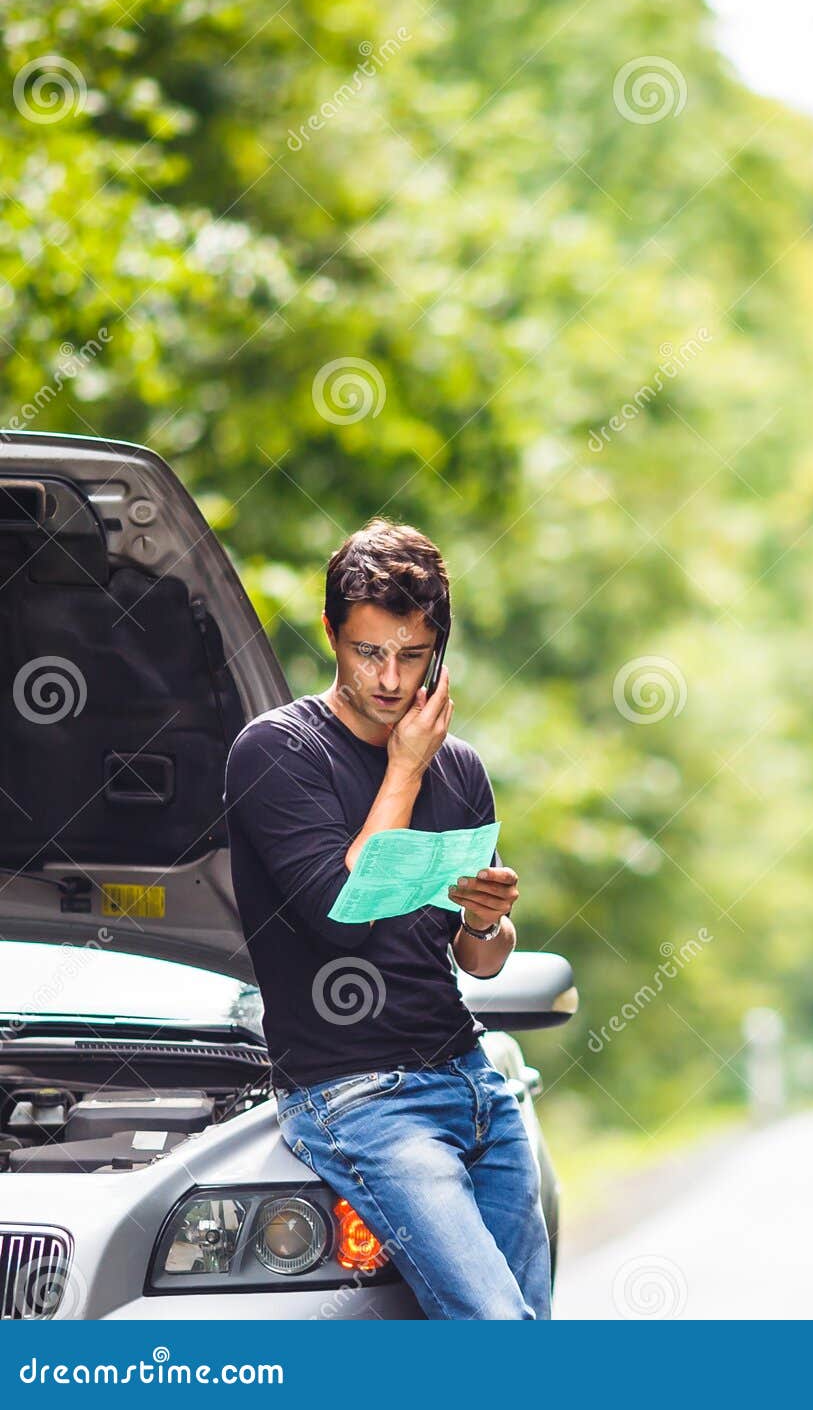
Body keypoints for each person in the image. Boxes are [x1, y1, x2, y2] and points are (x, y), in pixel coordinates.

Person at [222, 518, 550, 1319]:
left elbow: (480, 962)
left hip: (471, 1079)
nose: (392, 679)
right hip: (356, 1097)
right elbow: (341, 914)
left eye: (413, 655)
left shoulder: (461, 767)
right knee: (497, 1329)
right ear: (332, 632)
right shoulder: (276, 752)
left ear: (438, 648)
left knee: (534, 1331)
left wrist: (486, 919)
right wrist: (403, 767)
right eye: (370, 652)